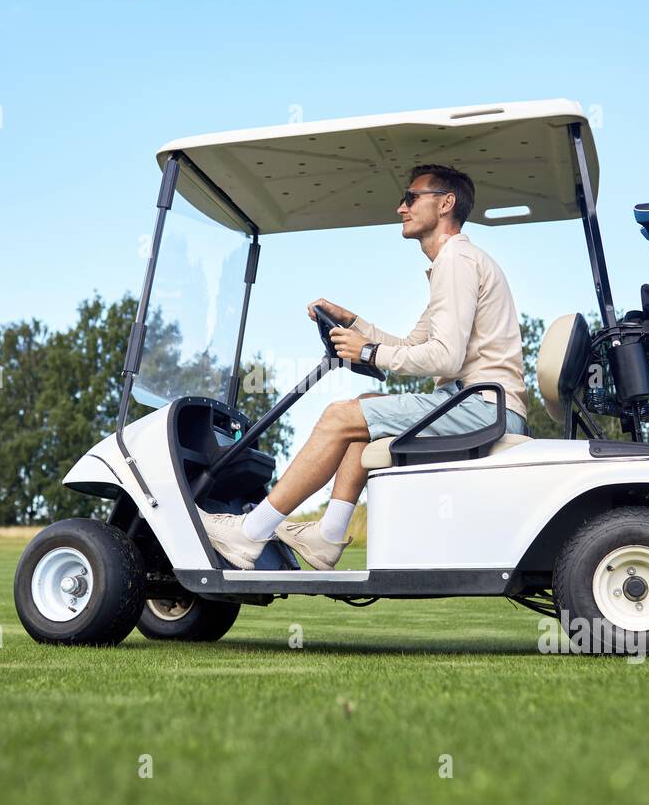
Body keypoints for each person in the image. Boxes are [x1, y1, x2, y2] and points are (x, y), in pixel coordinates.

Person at [198, 164, 528, 570]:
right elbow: (411, 347)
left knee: (339, 417)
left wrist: (367, 352)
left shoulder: (456, 260)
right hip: (472, 403)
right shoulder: (454, 262)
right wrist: (355, 325)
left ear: (446, 203)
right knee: (365, 410)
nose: (400, 208)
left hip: (483, 407)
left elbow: (444, 357)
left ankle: (249, 533)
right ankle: (328, 536)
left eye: (410, 198)